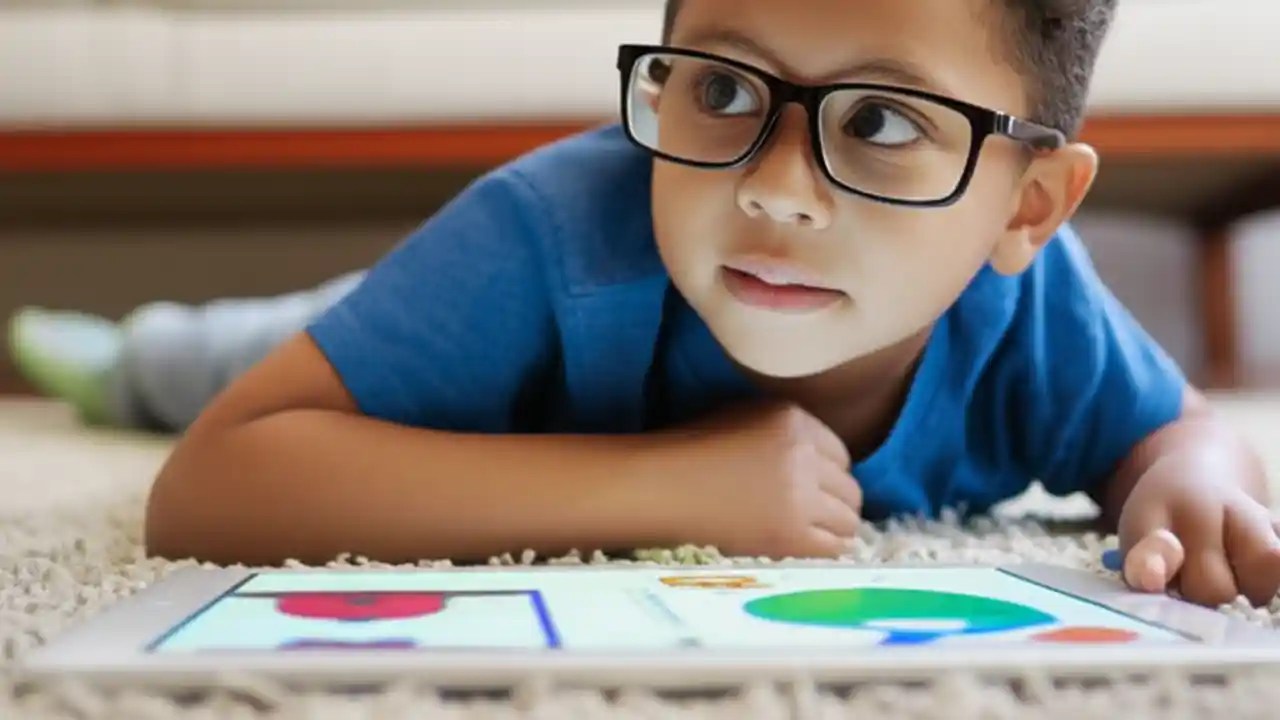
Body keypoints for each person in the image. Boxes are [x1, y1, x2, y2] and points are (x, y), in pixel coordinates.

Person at [94, 0, 1280, 609]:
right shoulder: (542, 230)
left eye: (877, 122)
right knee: (213, 359)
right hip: (452, 335)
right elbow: (213, 481)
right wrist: (666, 487)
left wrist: (1194, 479)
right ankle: (134, 349)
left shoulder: (1035, 315)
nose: (771, 188)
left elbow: (1175, 433)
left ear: (1027, 210)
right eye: (720, 87)